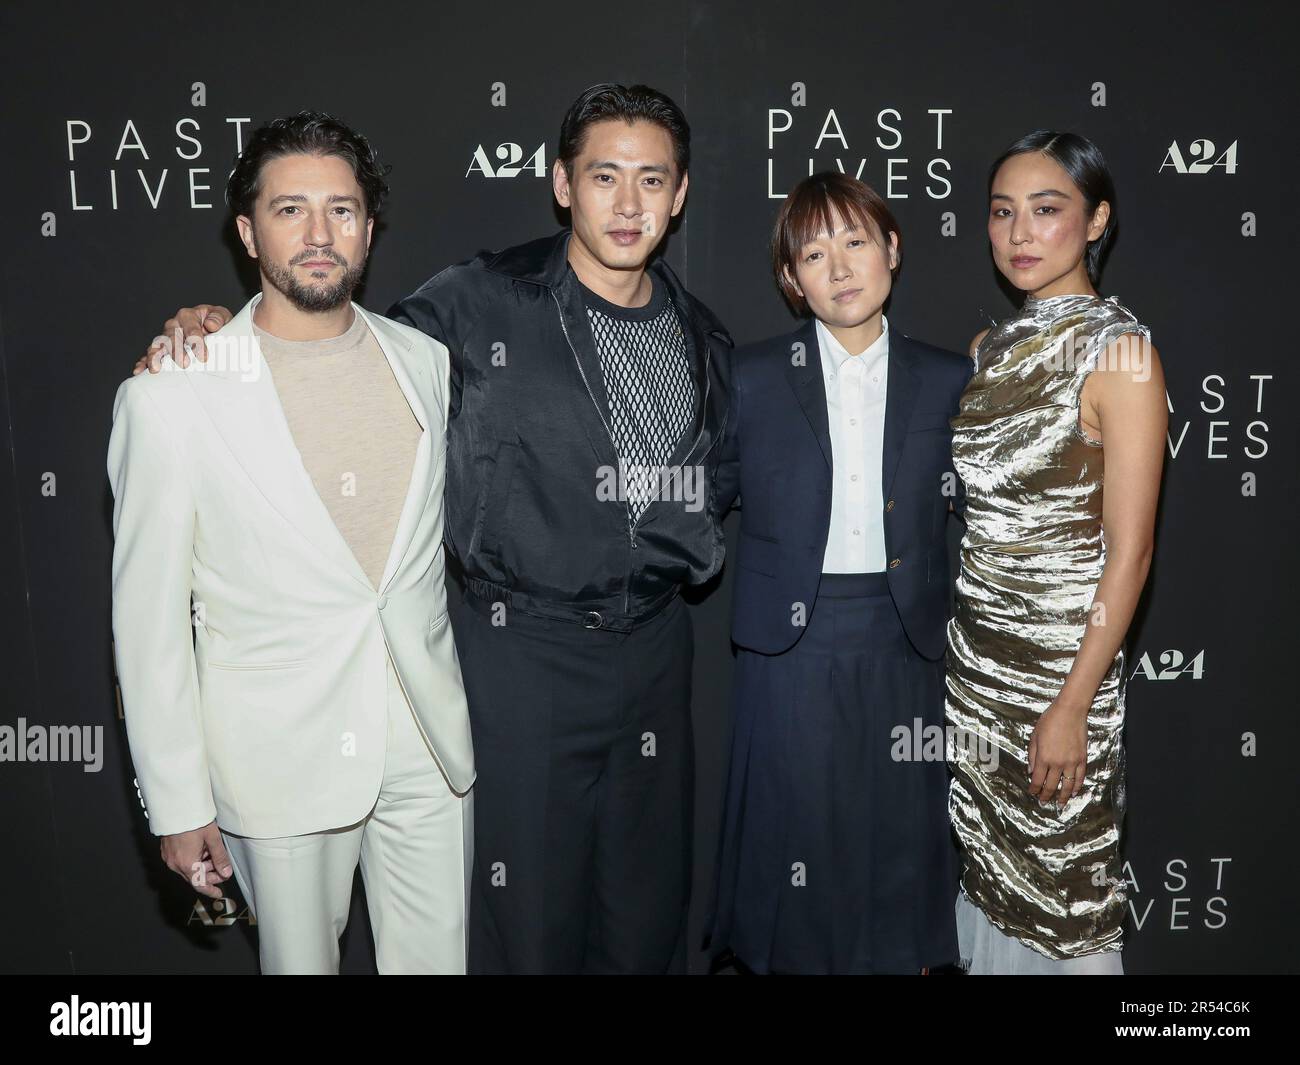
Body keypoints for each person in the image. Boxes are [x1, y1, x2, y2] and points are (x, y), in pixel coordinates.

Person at [133, 84, 734, 974]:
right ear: (563, 184)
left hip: (656, 657)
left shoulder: (703, 333)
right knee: (523, 928)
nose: (629, 202)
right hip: (522, 661)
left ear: (680, 196)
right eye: (605, 176)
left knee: (647, 918)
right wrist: (210, 324)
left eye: (653, 180)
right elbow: (325, 335)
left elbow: (717, 480)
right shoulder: (476, 303)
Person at [108, 112, 474, 974]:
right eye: (290, 210)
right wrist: (176, 803)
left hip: (426, 743)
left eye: (342, 211)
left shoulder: (425, 359)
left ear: (370, 228)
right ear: (246, 231)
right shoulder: (174, 393)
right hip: (277, 758)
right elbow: (148, 622)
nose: (319, 234)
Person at [705, 172, 971, 973]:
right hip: (791, 650)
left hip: (907, 646)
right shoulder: (748, 376)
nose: (841, 266)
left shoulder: (951, 378)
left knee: (898, 851)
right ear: (792, 279)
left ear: (892, 249)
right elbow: (699, 501)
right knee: (796, 851)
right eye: (814, 253)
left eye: (857, 241)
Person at [946, 130, 1167, 974]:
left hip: (1059, 683)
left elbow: (1133, 552)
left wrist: (1073, 703)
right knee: (990, 891)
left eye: (1047, 210)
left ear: (1097, 219)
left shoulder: (1124, 357)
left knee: (1063, 906)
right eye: (1003, 213)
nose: (1019, 234)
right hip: (975, 677)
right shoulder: (987, 350)